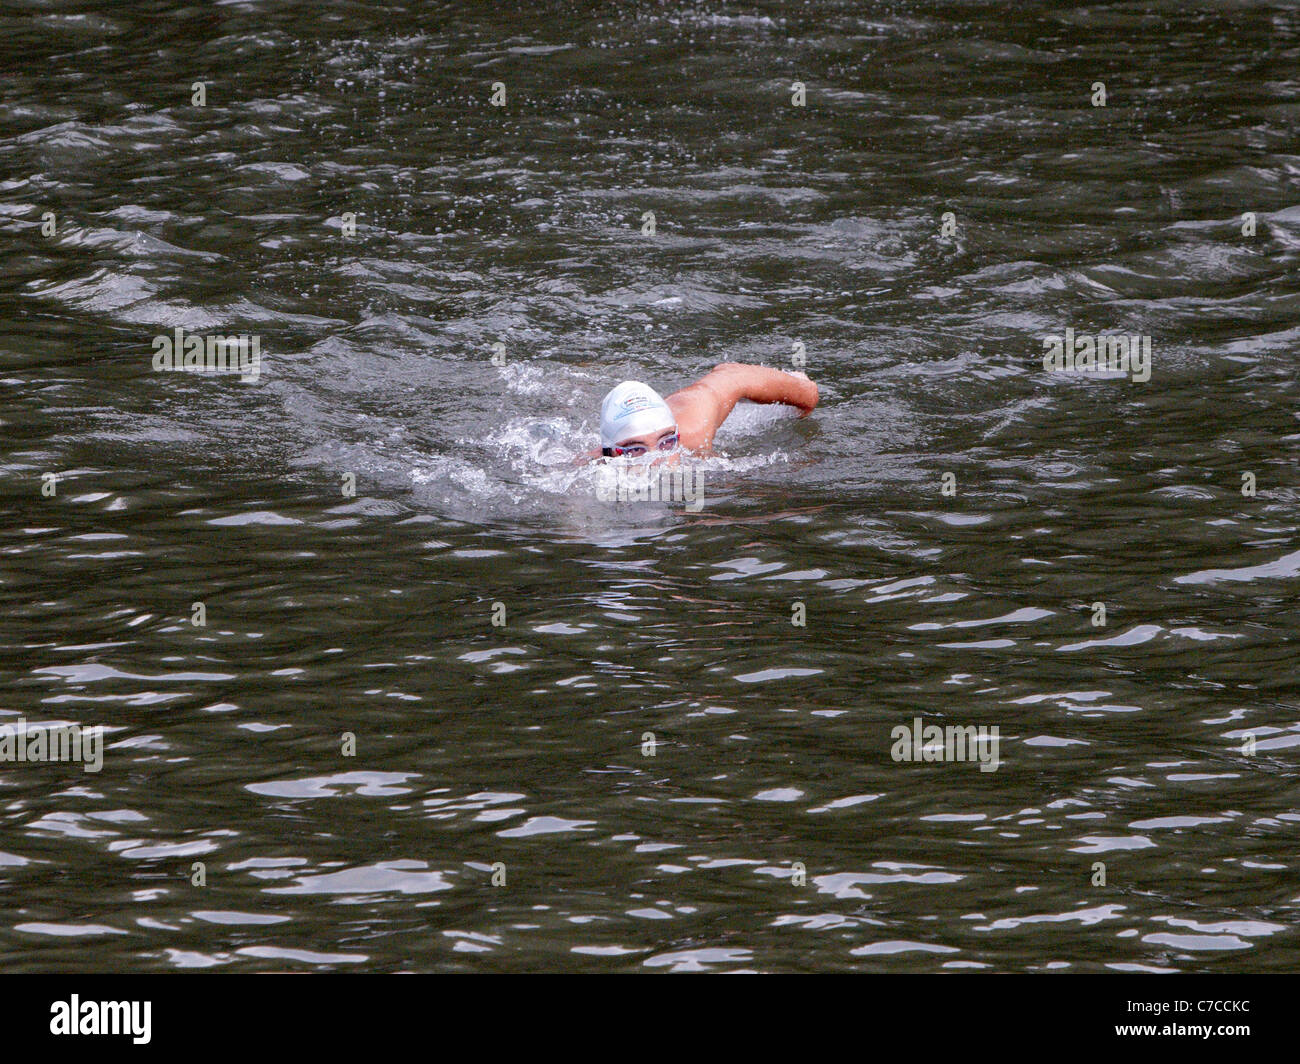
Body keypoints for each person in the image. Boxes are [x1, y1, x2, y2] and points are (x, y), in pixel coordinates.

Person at [598, 363, 818, 459]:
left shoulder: (693, 431)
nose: (657, 461)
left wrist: (804, 392)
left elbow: (733, 376)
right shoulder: (587, 476)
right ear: (611, 455)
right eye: (636, 451)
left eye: (666, 442)